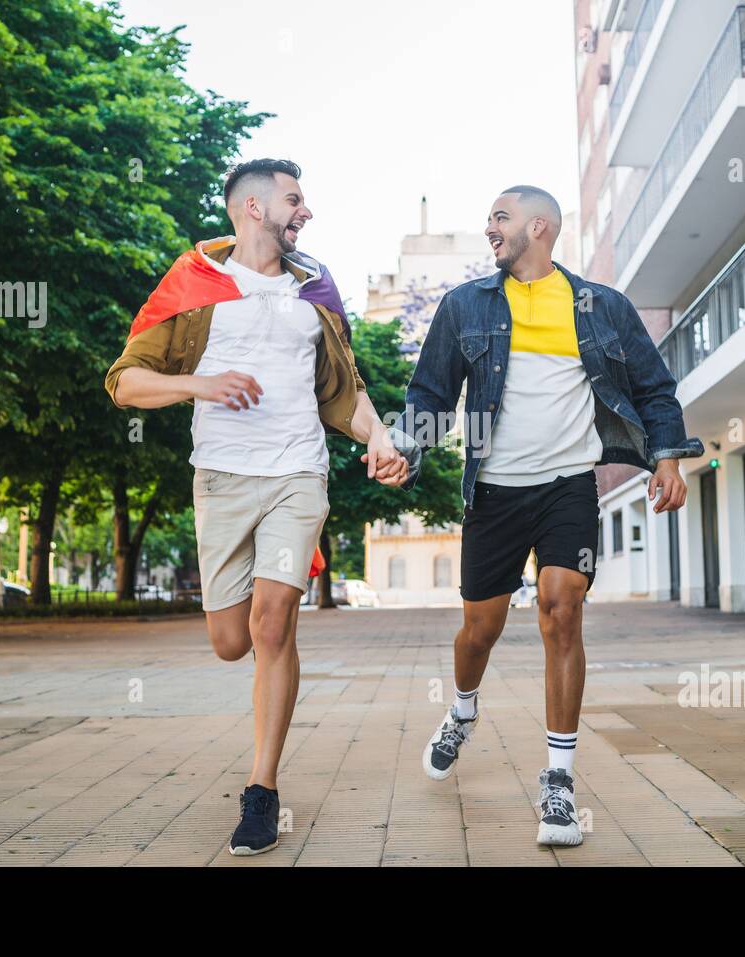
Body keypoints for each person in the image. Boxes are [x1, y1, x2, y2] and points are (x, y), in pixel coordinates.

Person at [105, 158, 416, 856]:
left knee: (273, 622)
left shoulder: (317, 288)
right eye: (294, 199)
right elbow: (125, 382)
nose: (305, 212)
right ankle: (257, 715)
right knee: (231, 641)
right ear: (252, 207)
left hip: (297, 474)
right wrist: (201, 385)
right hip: (220, 478)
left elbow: (345, 391)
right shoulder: (194, 283)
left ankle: (261, 790)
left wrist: (382, 435)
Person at [395, 185, 702, 846]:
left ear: (540, 226)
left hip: (569, 483)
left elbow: (652, 387)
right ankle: (462, 708)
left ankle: (558, 782)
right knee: (481, 629)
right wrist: (406, 447)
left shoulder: (602, 307)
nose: (489, 229)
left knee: (563, 607)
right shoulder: (465, 306)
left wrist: (668, 457)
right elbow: (431, 391)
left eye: (499, 218)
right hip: (496, 491)